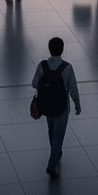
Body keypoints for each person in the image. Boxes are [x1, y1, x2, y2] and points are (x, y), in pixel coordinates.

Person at [32, 37, 81, 180]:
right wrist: (77, 105)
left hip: (46, 106)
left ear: (49, 49)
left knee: (52, 131)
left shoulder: (42, 65)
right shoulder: (67, 67)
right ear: (62, 50)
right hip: (61, 106)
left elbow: (34, 83)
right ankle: (52, 164)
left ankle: (56, 154)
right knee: (58, 136)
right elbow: (73, 89)